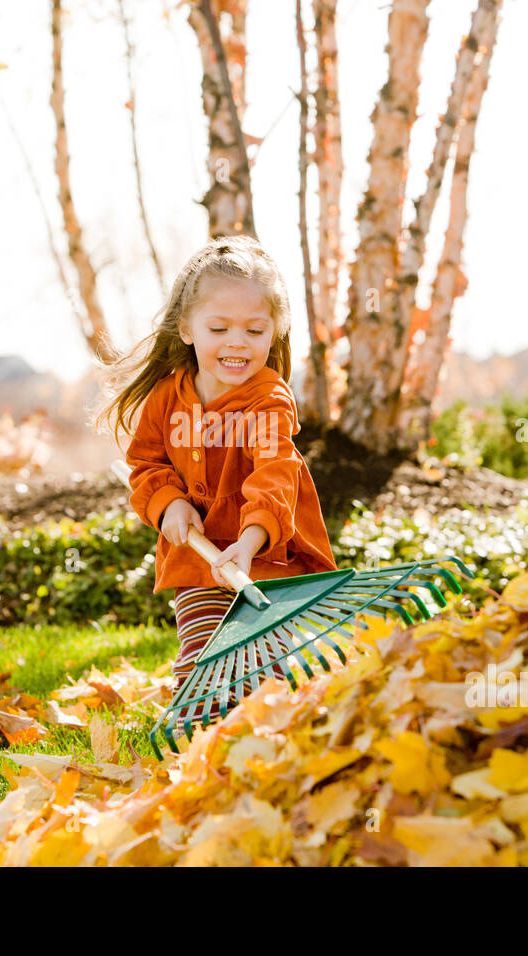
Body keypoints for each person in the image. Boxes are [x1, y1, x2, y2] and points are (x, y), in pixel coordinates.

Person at [95, 235, 337, 692]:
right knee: (202, 661)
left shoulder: (268, 401)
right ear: (187, 328)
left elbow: (274, 475)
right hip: (197, 559)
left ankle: (265, 740)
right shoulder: (167, 397)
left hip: (266, 557)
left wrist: (249, 542)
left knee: (261, 668)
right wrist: (169, 504)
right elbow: (146, 462)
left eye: (254, 330)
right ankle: (203, 746)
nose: (237, 343)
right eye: (219, 328)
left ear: (275, 330)